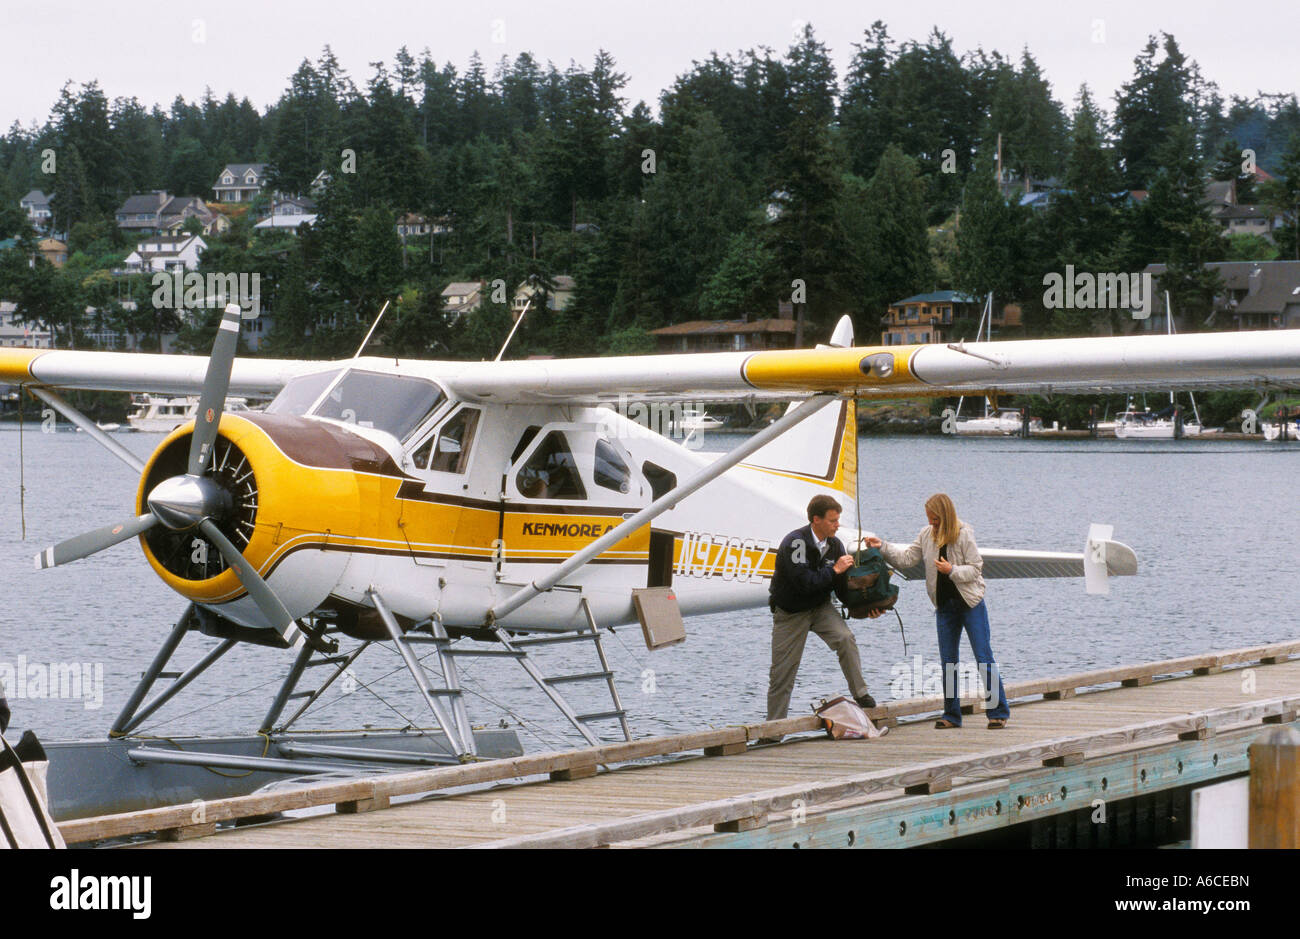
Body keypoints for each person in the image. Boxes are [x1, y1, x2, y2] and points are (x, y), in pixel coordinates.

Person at [867, 493, 1010, 729]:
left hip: (970, 604)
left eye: (935, 519)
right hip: (945, 607)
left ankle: (998, 712)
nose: (932, 523)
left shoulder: (963, 534)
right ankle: (952, 715)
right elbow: (907, 559)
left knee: (983, 657)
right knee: (948, 662)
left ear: (945, 516)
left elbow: (976, 568)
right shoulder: (926, 534)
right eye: (929, 519)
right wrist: (882, 546)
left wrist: (951, 570)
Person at [762, 494, 879, 741]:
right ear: (816, 520)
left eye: (838, 520)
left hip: (820, 607)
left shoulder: (835, 545)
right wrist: (834, 569)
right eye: (833, 520)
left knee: (845, 638)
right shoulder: (795, 543)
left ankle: (860, 694)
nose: (837, 525)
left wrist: (864, 608)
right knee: (783, 672)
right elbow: (804, 583)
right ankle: (773, 731)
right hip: (791, 612)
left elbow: (841, 588)